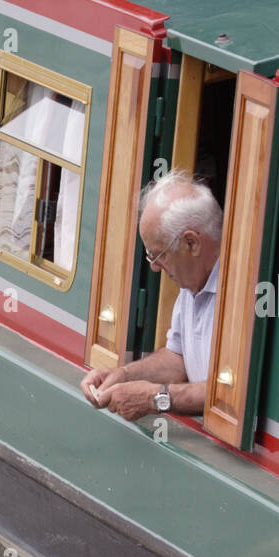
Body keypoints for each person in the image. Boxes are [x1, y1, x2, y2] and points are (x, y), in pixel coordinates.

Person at [81, 169, 222, 421]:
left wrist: (153, 398)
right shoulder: (191, 282)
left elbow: (229, 395)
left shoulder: (244, 296)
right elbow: (177, 358)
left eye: (159, 255)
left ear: (192, 243)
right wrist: (124, 375)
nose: (154, 268)